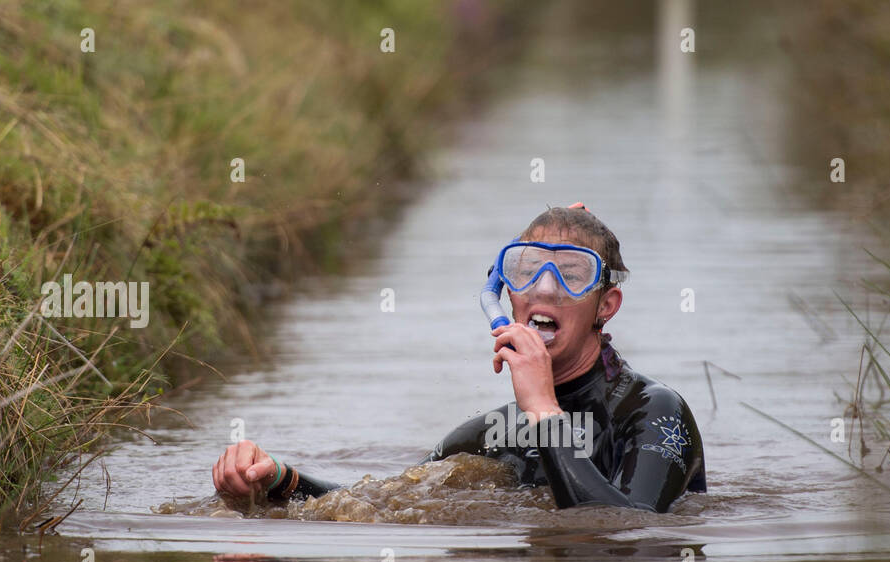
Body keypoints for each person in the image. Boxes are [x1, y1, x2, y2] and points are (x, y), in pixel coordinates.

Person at [211, 204, 706, 512]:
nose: (547, 287)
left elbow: (625, 535)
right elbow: (376, 505)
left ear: (606, 306)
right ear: (506, 298)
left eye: (573, 273)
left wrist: (542, 409)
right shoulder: (491, 434)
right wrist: (275, 479)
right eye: (527, 268)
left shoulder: (654, 413)